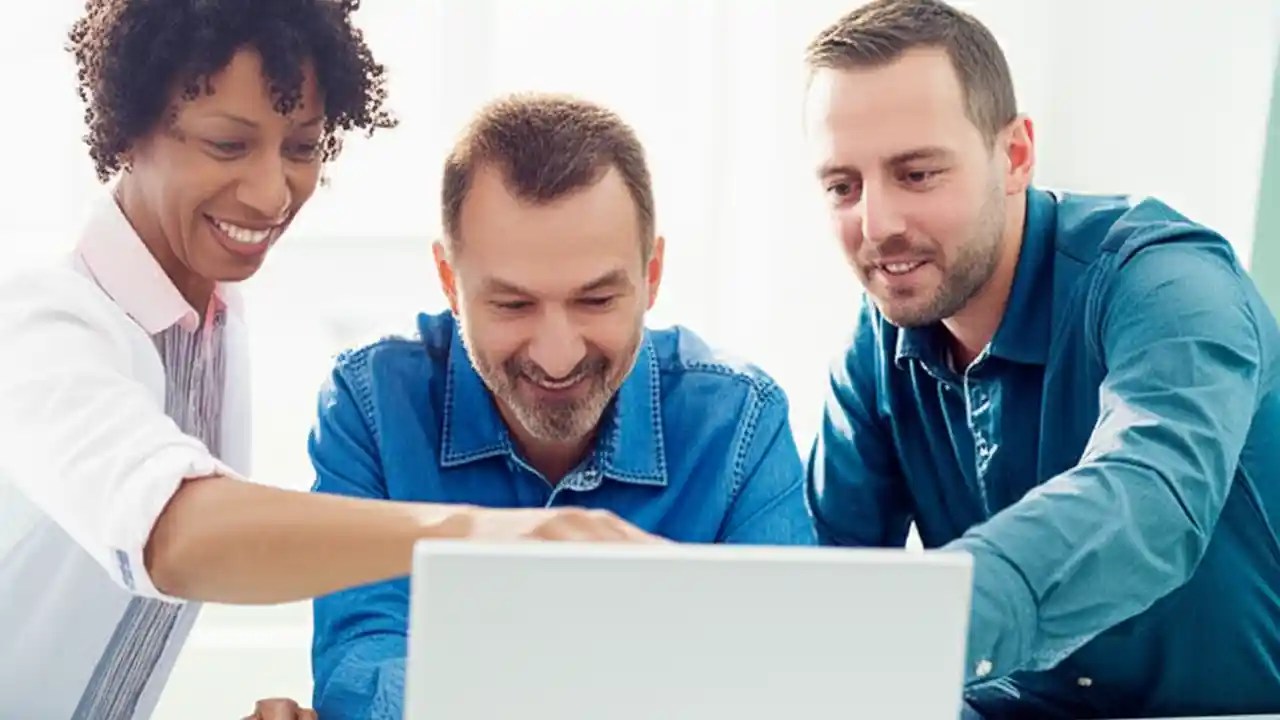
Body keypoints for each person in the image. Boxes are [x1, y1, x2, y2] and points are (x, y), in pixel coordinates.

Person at [0, 3, 664, 719]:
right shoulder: (39, 325)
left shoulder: (213, 324)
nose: (271, 193)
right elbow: (173, 535)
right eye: (228, 144)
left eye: (301, 146)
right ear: (131, 127)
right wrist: (496, 535)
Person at [801, 0, 1280, 717]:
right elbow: (818, 577)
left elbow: (1148, 498)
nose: (877, 225)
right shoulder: (877, 345)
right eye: (843, 187)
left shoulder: (1170, 283)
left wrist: (926, 621)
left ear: (1016, 155)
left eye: (918, 174)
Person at [307, 92, 817, 718]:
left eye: (596, 301)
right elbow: (355, 670)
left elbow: (777, 680)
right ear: (449, 281)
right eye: (513, 305)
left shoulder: (739, 423)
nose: (556, 356)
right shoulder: (372, 405)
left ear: (652, 274)